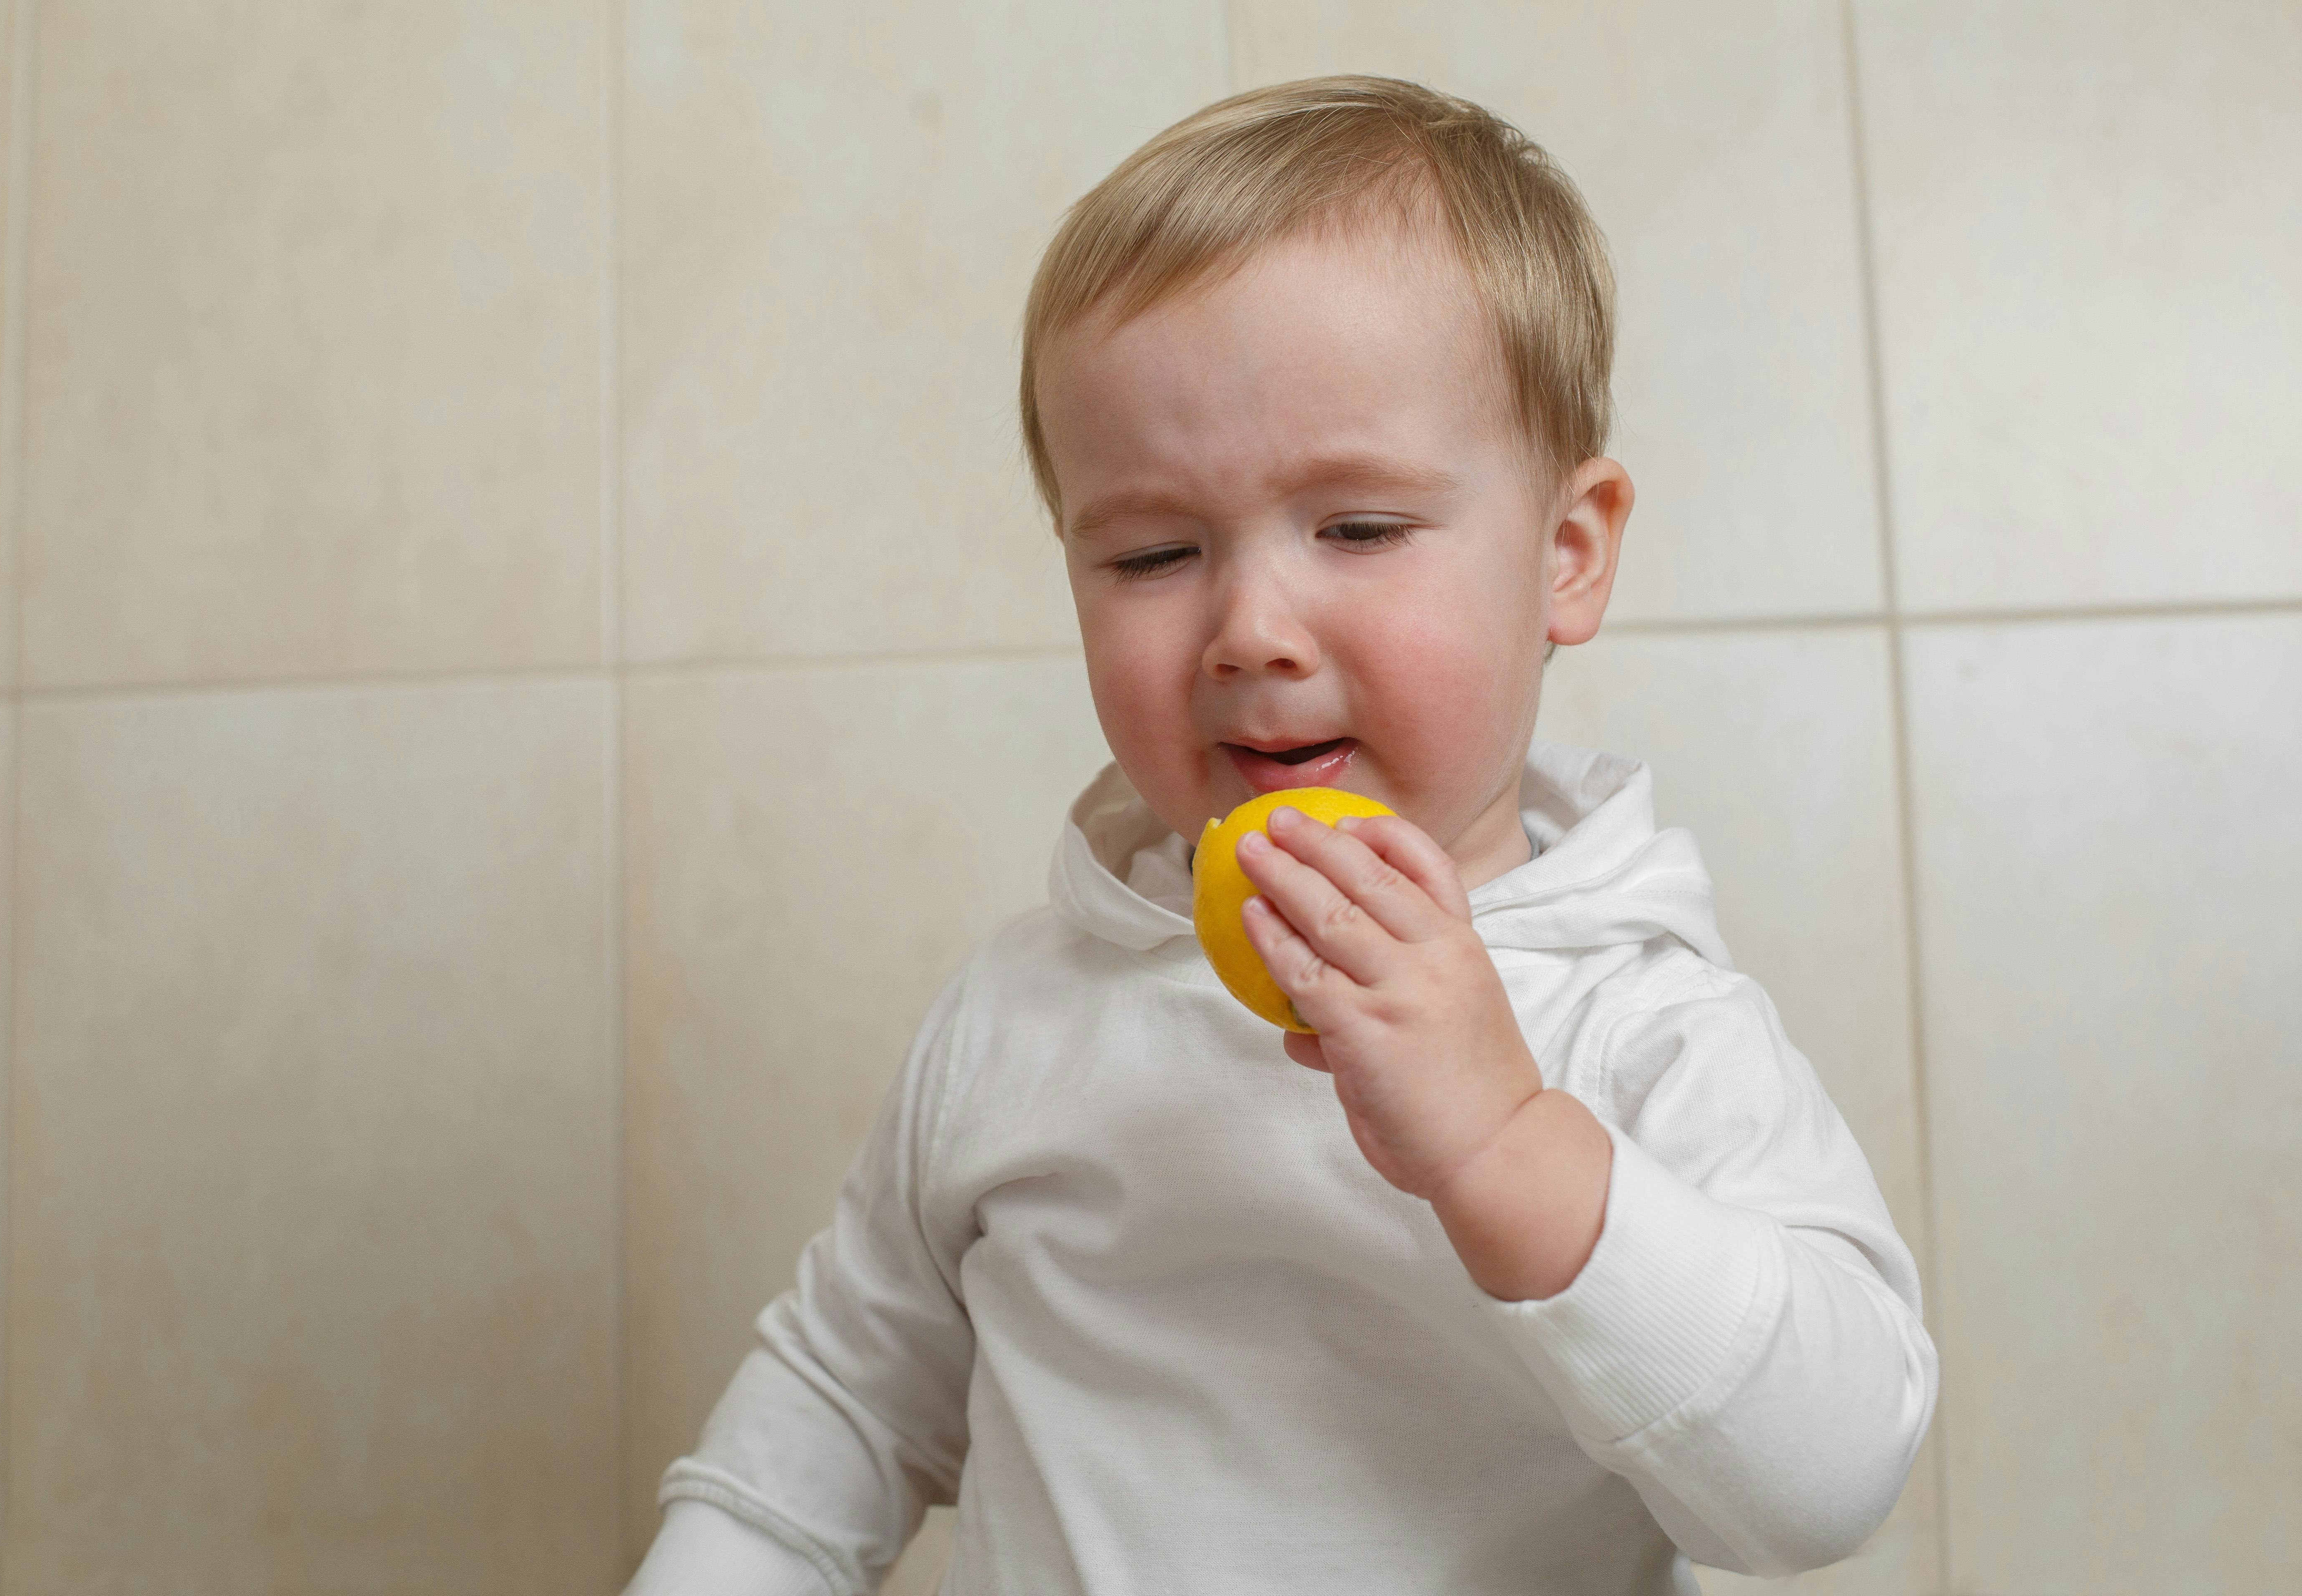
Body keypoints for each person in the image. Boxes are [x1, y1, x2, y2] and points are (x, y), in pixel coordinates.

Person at [627, 76, 1937, 1595]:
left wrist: (1513, 1150)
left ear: (1566, 559)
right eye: (1154, 552)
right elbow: (839, 1417)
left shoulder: (1637, 1018)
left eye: (1361, 530)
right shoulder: (1017, 1015)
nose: (1250, 629)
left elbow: (1829, 1483)